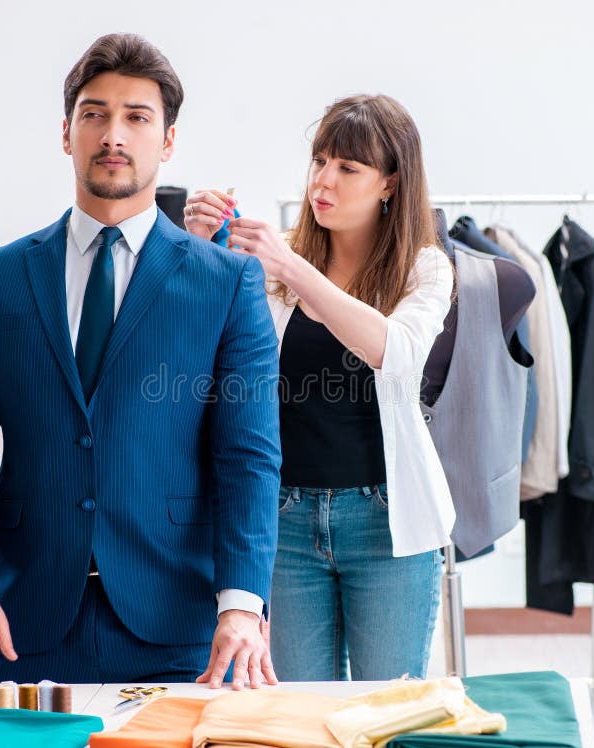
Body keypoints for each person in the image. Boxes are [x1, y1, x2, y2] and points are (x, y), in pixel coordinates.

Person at [0, 33, 281, 689]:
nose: (113, 134)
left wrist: (241, 604)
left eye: (137, 117)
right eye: (95, 113)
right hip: (23, 621)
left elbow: (248, 459)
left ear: (168, 140)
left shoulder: (228, 284)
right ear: (67, 133)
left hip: (179, 626)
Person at [184, 94, 455, 680]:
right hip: (284, 521)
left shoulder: (424, 267)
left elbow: (395, 351)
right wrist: (199, 249)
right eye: (319, 160)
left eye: (348, 168)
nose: (323, 181)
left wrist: (290, 268)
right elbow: (202, 349)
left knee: (385, 714)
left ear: (389, 183)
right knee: (295, 715)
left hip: (387, 523)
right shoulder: (277, 259)